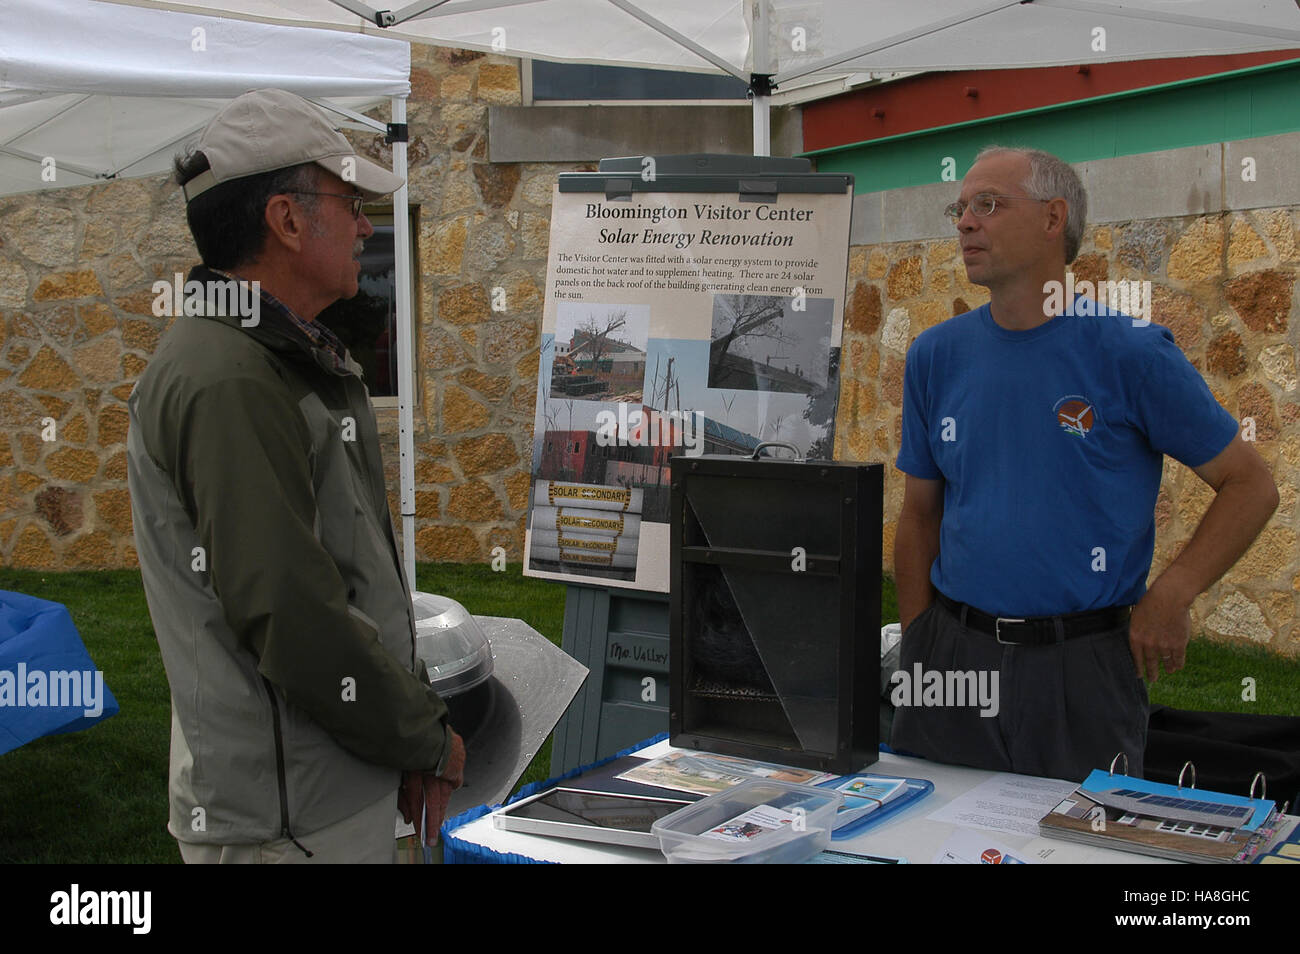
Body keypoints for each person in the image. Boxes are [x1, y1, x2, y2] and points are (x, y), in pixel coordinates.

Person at [126, 88, 464, 862]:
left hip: (312, 798)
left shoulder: (268, 359)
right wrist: (421, 738)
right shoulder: (230, 377)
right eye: (349, 202)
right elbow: (293, 613)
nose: (366, 225)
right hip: (285, 822)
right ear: (285, 219)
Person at [891, 145, 1278, 782]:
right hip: (952, 657)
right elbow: (919, 515)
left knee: (1079, 846)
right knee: (928, 839)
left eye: (987, 204)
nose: (964, 222)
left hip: (1082, 667)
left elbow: (1250, 485)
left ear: (1053, 219)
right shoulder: (935, 356)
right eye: (958, 208)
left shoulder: (1132, 354)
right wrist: (919, 645)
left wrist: (1170, 596)